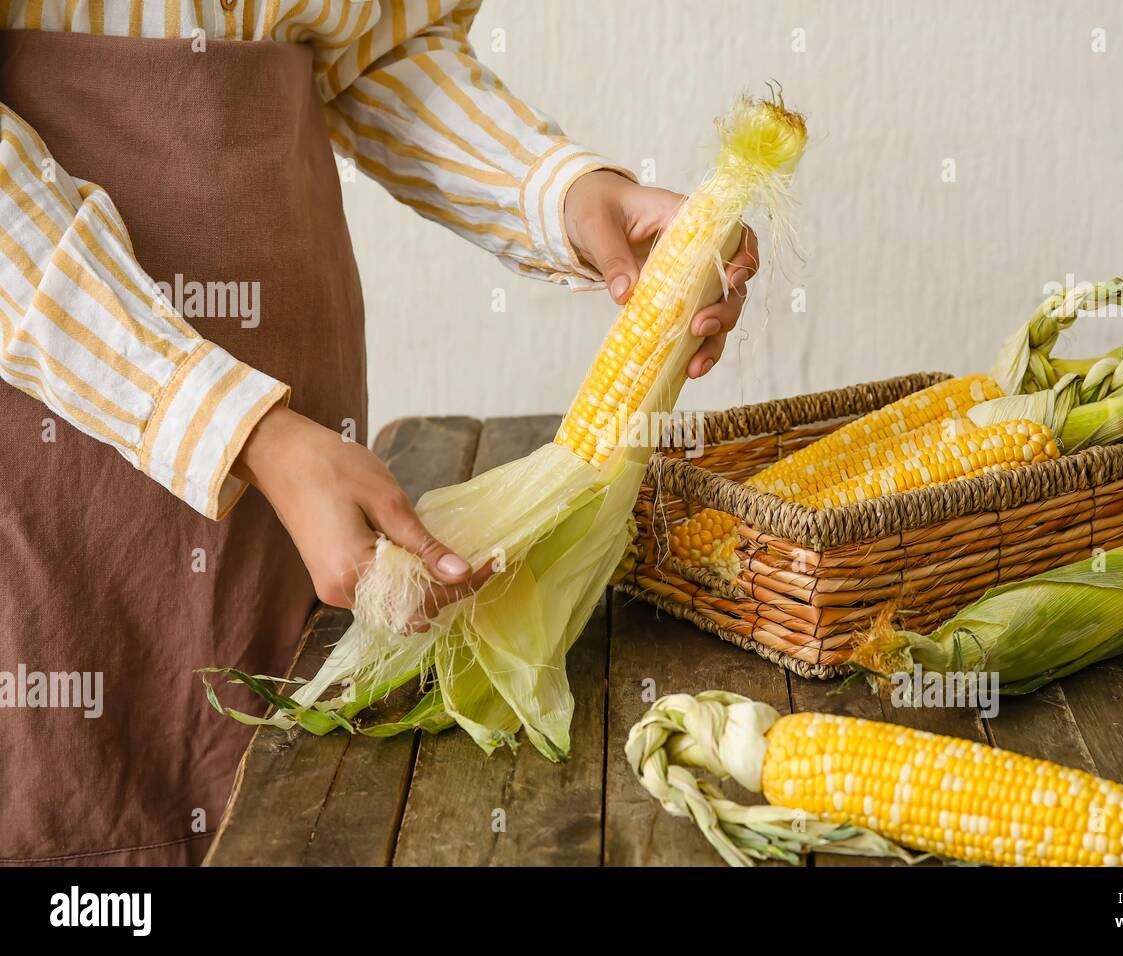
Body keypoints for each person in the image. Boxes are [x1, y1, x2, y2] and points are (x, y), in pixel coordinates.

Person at [0, 2, 757, 866]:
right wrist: (235, 424)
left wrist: (560, 190)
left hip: (309, 440)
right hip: (67, 435)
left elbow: (376, 47)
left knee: (288, 801)